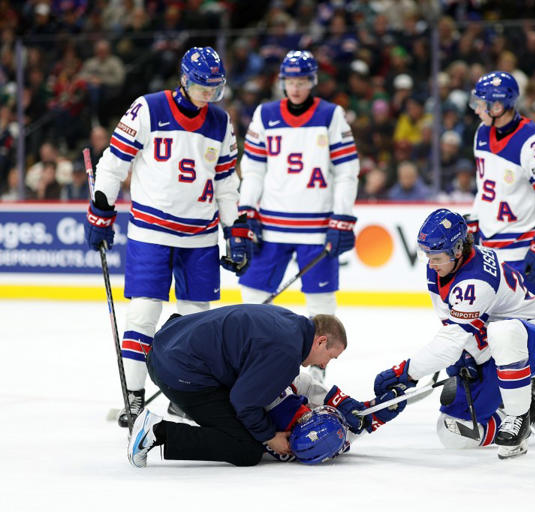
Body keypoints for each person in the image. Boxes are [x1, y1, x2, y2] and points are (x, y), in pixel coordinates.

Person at [85, 47, 254, 428]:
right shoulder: (148, 108)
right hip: (151, 233)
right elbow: (113, 163)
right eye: (201, 86)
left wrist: (235, 229)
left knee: (199, 324)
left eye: (214, 87)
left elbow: (227, 182)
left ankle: (188, 399)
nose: (207, 94)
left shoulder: (221, 121)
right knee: (144, 314)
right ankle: (134, 398)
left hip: (200, 238)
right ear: (183, 80)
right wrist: (101, 208)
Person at [372, 209, 535, 460]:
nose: (431, 263)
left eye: (436, 256)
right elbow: (452, 328)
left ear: (458, 249)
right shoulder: (441, 266)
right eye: (427, 255)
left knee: (502, 331)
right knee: (452, 433)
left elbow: (451, 341)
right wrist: (465, 355)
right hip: (488, 343)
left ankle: (519, 413)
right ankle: (512, 410)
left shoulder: (475, 281)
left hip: (532, 337)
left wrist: (406, 372)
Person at [127, 305, 404, 467]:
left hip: (171, 342)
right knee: (245, 449)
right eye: (329, 357)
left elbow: (290, 381)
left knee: (250, 401)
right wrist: (269, 437)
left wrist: (342, 402)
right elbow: (245, 403)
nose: (323, 365)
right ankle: (157, 430)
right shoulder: (286, 353)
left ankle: (189, 405)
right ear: (320, 342)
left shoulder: (293, 326)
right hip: (177, 369)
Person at [237, 50, 359, 321]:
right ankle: (257, 354)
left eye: (302, 81)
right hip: (271, 222)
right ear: (282, 81)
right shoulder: (265, 114)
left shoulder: (330, 114)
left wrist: (342, 216)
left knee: (321, 302)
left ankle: (319, 363)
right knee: (253, 294)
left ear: (312, 81)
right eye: (290, 81)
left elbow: (347, 170)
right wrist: (246, 210)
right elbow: (253, 168)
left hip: (317, 224)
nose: (295, 87)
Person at [466, 71, 535, 296]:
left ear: (497, 107)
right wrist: (474, 220)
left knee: (515, 328)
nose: (475, 109)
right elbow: (484, 187)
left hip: (520, 254)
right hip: (486, 254)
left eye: (480, 103)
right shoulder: (482, 133)